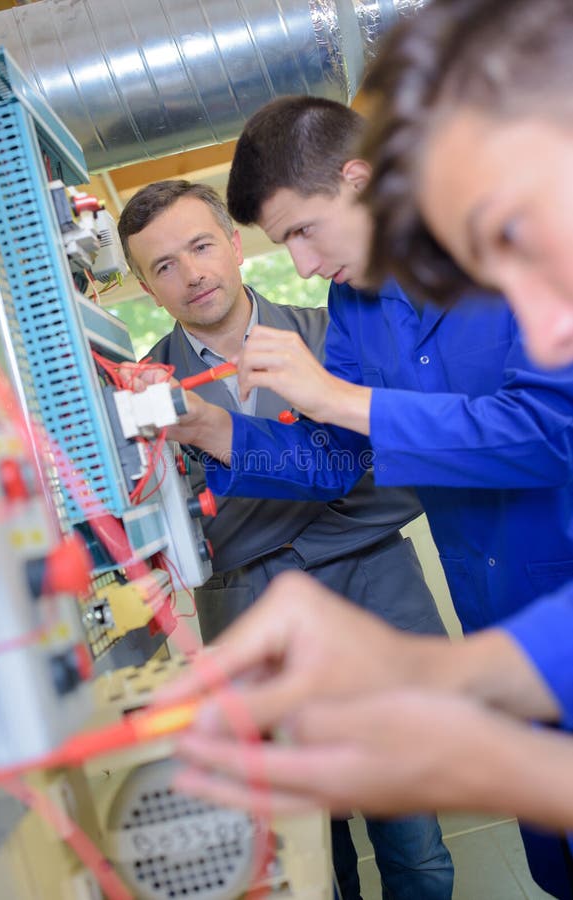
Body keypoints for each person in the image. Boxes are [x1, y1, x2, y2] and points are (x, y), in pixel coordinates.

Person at [154, 0, 573, 889]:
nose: (301, 266)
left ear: (356, 178)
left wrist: (345, 398)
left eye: (303, 231)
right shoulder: (351, 305)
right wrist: (217, 428)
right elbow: (338, 457)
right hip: (495, 609)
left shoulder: (511, 254)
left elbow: (549, 432)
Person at [117, 179, 453, 900]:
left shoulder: (331, 339)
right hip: (249, 626)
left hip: (371, 601)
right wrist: (318, 488)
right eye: (164, 266)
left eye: (201, 245)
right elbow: (156, 527)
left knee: (414, 845)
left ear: (236, 245)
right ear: (146, 287)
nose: (192, 272)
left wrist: (255, 507)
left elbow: (390, 487)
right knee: (300, 854)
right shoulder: (140, 396)